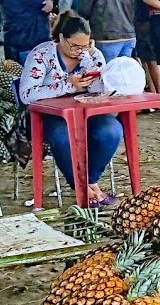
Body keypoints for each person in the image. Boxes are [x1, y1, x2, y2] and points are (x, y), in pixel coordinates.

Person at [18, 12, 121, 207]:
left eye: (84, 46)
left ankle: (90, 181)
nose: (78, 51)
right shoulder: (42, 55)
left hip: (86, 112)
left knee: (111, 130)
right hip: (49, 115)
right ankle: (82, 189)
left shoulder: (93, 55)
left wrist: (91, 64)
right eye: (74, 46)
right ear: (62, 38)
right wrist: (68, 85)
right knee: (62, 136)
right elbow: (26, 94)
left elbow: (102, 90)